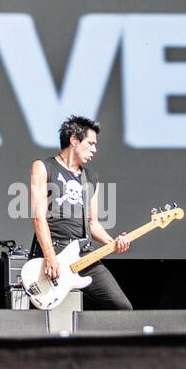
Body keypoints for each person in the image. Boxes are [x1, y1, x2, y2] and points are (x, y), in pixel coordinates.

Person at [28, 115, 133, 309]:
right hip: (53, 251)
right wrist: (50, 256)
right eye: (91, 143)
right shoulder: (43, 167)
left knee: (123, 307)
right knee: (41, 319)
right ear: (74, 140)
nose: (95, 149)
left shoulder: (91, 177)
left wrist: (113, 243)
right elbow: (38, 216)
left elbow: (93, 223)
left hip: (83, 254)